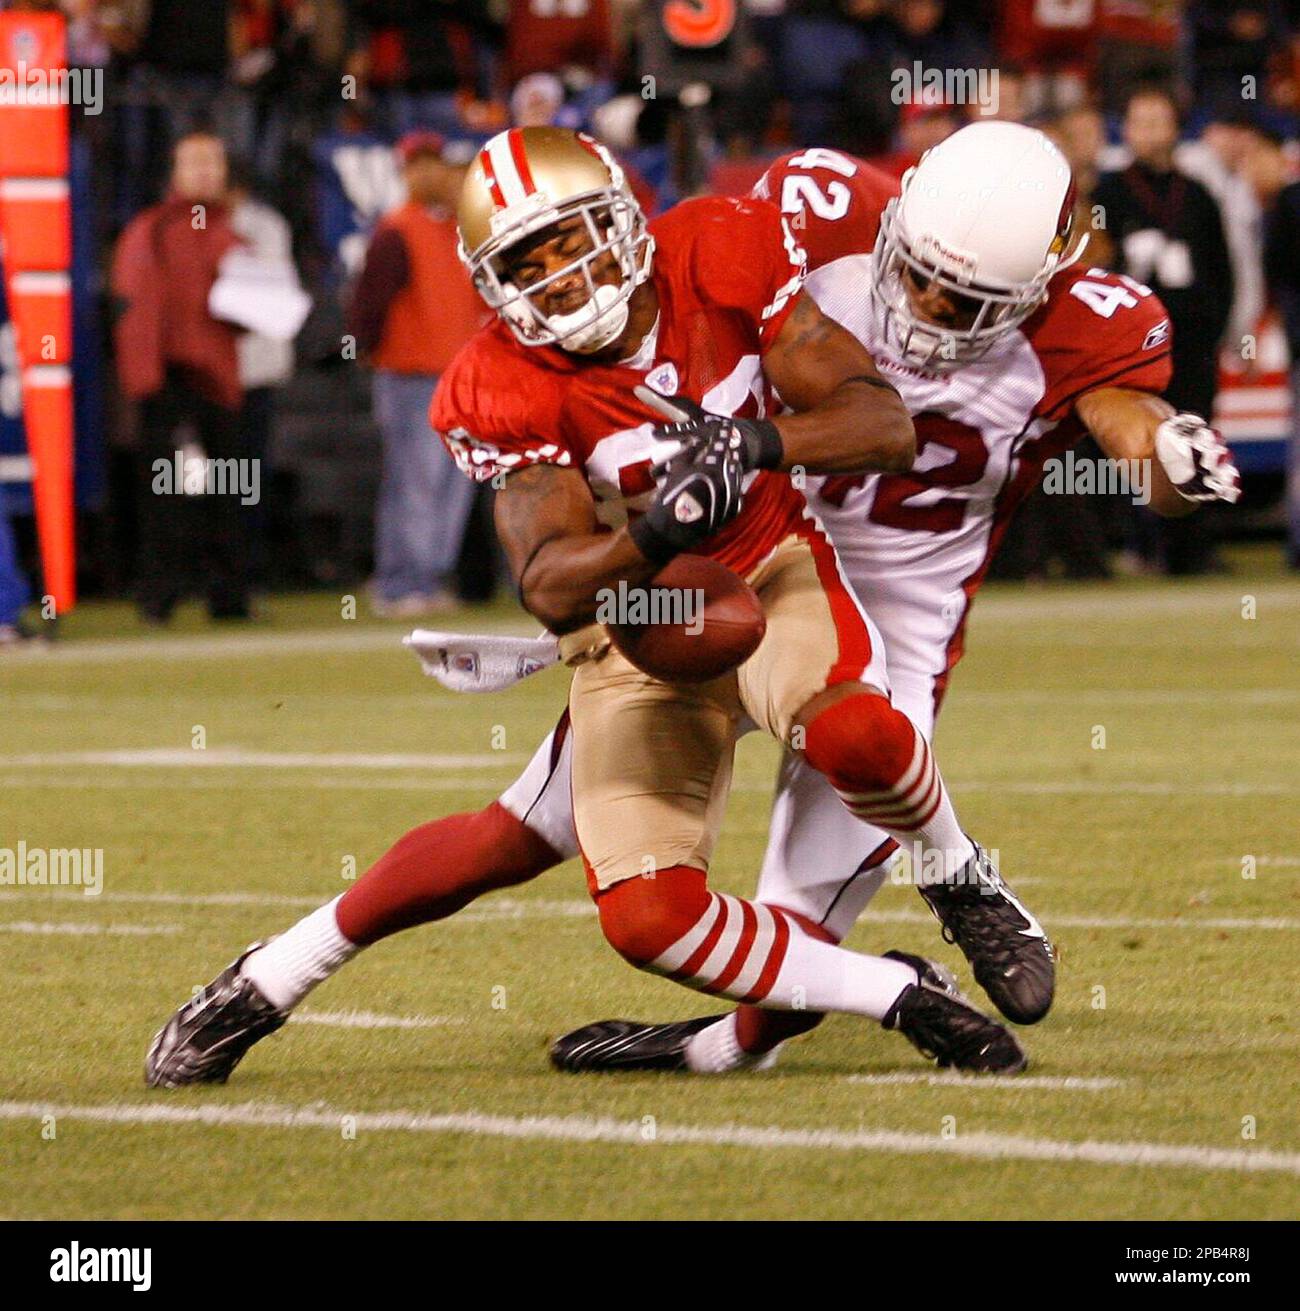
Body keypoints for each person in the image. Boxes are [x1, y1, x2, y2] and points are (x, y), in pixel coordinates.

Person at [142, 127, 1240, 1088]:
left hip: (833, 587)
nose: (928, 311)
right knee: (532, 844)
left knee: (788, 963)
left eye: (969, 301)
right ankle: (266, 980)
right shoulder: (784, 229)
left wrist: (1166, 457)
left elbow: (1054, 424)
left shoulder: (738, 253)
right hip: (668, 604)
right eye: (915, 276)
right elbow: (549, 574)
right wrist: (657, 530)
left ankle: (862, 942)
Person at [111, 130, 255, 622]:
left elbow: (248, 313)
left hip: (220, 382)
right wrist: (146, 384)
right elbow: (134, 308)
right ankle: (160, 596)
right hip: (170, 383)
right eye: (194, 162)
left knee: (229, 490)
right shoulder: (150, 229)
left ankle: (227, 597)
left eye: (213, 162)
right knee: (167, 494)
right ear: (173, 171)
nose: (205, 172)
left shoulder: (232, 234)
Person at [1095, 86, 1236, 575]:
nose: (1152, 132)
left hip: (1191, 344)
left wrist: (1217, 327)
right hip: (1131, 347)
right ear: (1126, 129)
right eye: (1142, 121)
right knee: (1140, 445)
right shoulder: (1108, 193)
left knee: (1194, 440)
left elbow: (1222, 268)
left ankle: (1194, 546)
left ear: (1177, 128)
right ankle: (1142, 544)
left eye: (1160, 120)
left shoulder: (1196, 193)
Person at [348, 131, 483, 617]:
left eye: (436, 164)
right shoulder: (397, 228)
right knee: (415, 482)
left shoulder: (464, 229)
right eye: (417, 165)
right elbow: (366, 306)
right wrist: (367, 350)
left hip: (461, 378)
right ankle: (400, 582)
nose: (429, 174)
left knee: (453, 484)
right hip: (410, 378)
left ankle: (426, 578)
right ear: (405, 173)